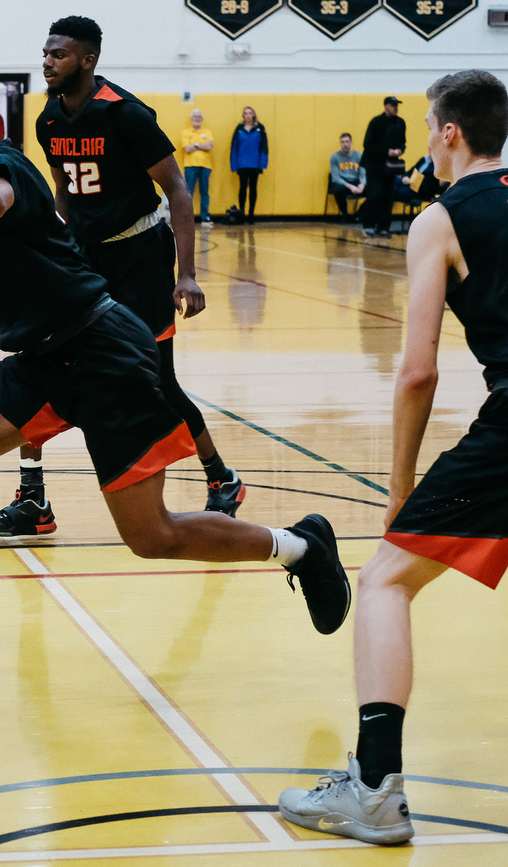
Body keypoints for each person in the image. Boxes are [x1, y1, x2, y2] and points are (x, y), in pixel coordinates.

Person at [0, 64, 350, 687]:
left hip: (104, 353)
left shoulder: (0, 168)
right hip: (44, 361)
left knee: (151, 536)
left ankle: (301, 547)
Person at [279, 70, 508, 846]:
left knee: (384, 579)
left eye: (428, 129)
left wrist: (400, 482)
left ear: (450, 133)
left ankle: (375, 789)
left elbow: (416, 370)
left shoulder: (441, 219)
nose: (425, 146)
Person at [0, 15, 244, 540]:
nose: (47, 62)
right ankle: (33, 500)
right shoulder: (48, 120)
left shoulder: (126, 114)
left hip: (139, 257)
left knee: (157, 379)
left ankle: (220, 475)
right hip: (84, 259)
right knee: (39, 363)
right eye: (45, 53)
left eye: (58, 54)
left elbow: (178, 189)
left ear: (88, 60)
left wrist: (187, 275)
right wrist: (54, 249)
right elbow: (62, 192)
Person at [360, 96, 407, 238]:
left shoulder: (400, 123)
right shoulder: (376, 122)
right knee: (375, 194)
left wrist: (399, 150)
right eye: (393, 105)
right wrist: (386, 151)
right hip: (374, 165)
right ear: (386, 106)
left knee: (388, 197)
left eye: (397, 105)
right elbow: (368, 145)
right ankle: (368, 224)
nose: (396, 108)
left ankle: (383, 227)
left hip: (390, 166)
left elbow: (402, 143)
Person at [229, 106, 268, 224]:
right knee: (242, 189)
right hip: (242, 163)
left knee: (253, 189)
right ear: (243, 116)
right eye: (245, 113)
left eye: (250, 113)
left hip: (255, 164)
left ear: (253, 115)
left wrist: (263, 164)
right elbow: (234, 147)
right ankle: (241, 214)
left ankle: (251, 214)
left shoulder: (260, 128)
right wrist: (233, 165)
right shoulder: (239, 129)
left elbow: (264, 147)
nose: (248, 115)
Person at [181, 108, 215, 223]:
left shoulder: (207, 132)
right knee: (188, 192)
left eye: (199, 117)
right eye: (195, 117)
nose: (197, 119)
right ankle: (187, 216)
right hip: (190, 166)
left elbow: (209, 146)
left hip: (205, 166)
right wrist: (201, 145)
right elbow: (187, 149)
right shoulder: (186, 132)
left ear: (202, 119)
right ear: (191, 118)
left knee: (204, 192)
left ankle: (205, 216)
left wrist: (195, 145)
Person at [329, 133, 367, 220]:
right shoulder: (334, 157)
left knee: (374, 192)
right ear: (340, 143)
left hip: (355, 181)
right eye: (343, 142)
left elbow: (363, 173)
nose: (345, 144)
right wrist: (350, 186)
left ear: (351, 142)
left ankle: (359, 215)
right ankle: (345, 214)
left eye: (347, 141)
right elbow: (335, 177)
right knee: (338, 190)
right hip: (342, 183)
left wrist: (362, 184)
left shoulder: (359, 156)